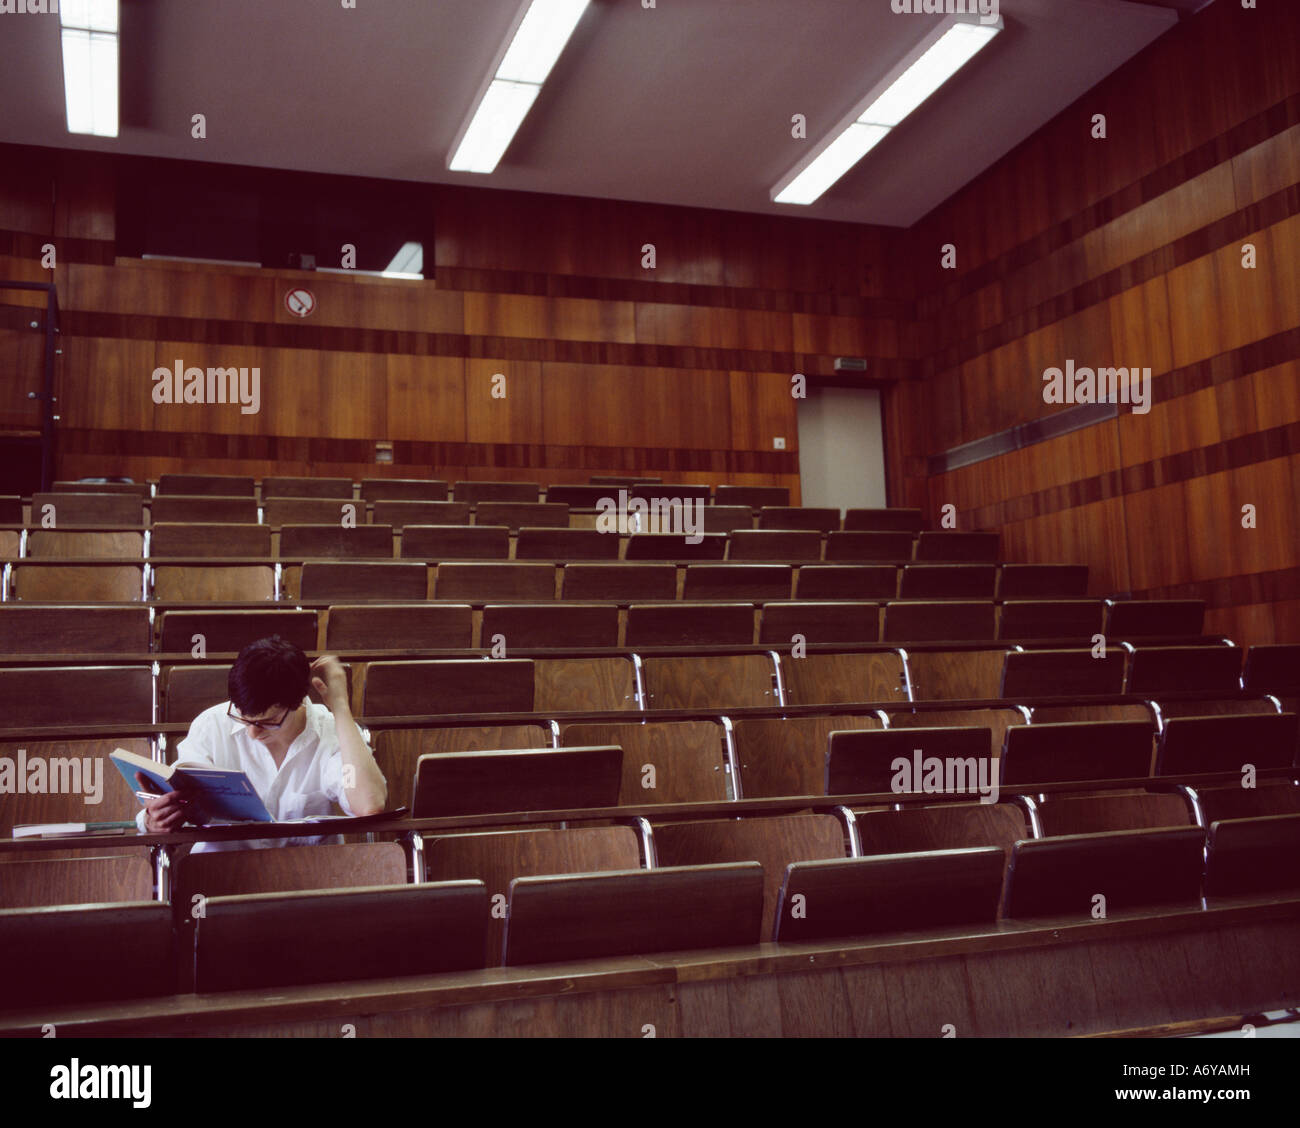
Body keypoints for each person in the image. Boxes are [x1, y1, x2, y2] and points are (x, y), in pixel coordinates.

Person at [139, 636, 387, 850]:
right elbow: (177, 798)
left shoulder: (332, 731)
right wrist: (155, 820)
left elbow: (369, 805)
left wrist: (340, 708)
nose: (252, 734)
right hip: (222, 877)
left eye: (267, 722)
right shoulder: (212, 724)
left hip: (309, 877)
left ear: (297, 702)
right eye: (243, 719)